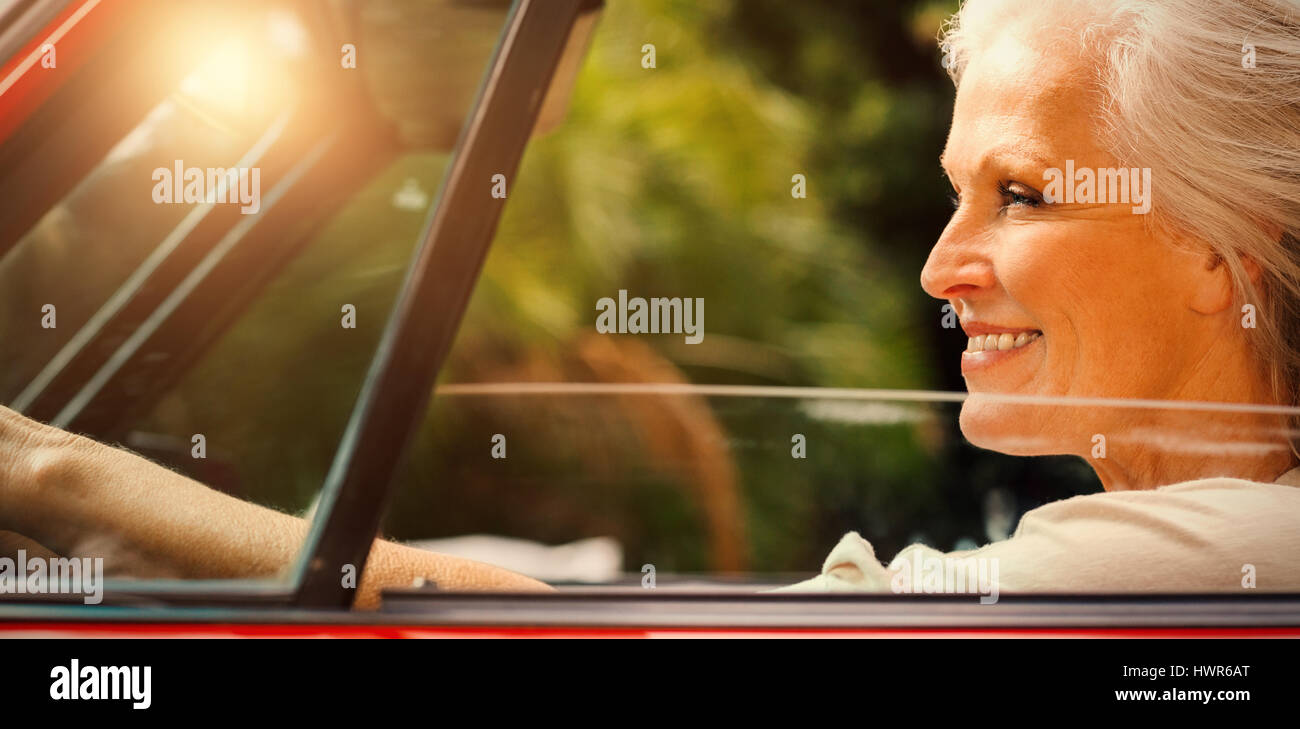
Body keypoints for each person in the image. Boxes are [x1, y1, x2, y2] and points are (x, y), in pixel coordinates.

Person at [3, 0, 1300, 605]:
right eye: (957, 195)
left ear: (1215, 245)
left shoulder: (1193, 561)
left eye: (1020, 194)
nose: (940, 265)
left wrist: (61, 476)